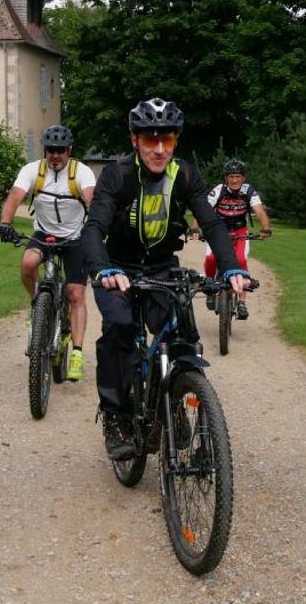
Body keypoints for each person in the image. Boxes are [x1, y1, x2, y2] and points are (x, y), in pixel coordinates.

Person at [82, 98, 251, 461]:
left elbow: (212, 222)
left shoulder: (186, 174)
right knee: (120, 329)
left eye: (168, 140)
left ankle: (177, 402)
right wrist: (101, 268)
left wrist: (232, 268)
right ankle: (115, 416)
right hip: (118, 269)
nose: (159, 149)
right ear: (134, 140)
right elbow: (94, 226)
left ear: (175, 141)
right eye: (150, 140)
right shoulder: (116, 175)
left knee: (182, 337)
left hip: (162, 267)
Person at [0, 125, 96, 382]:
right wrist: (5, 223)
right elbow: (15, 196)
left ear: (69, 150)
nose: (56, 155)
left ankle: (76, 352)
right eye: (51, 150)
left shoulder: (80, 172)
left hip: (75, 237)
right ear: (46, 151)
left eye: (61, 150)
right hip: (44, 233)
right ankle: (38, 305)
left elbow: (91, 198)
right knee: (28, 263)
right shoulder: (33, 170)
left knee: (75, 293)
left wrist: (98, 225)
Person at [192, 158, 272, 320]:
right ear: (226, 178)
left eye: (238, 176)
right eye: (231, 176)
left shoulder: (249, 191)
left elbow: (259, 211)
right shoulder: (219, 190)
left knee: (241, 260)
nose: (234, 180)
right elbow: (203, 209)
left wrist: (265, 228)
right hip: (218, 231)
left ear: (243, 178)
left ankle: (242, 301)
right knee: (210, 259)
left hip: (240, 231)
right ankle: (210, 289)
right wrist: (195, 227)